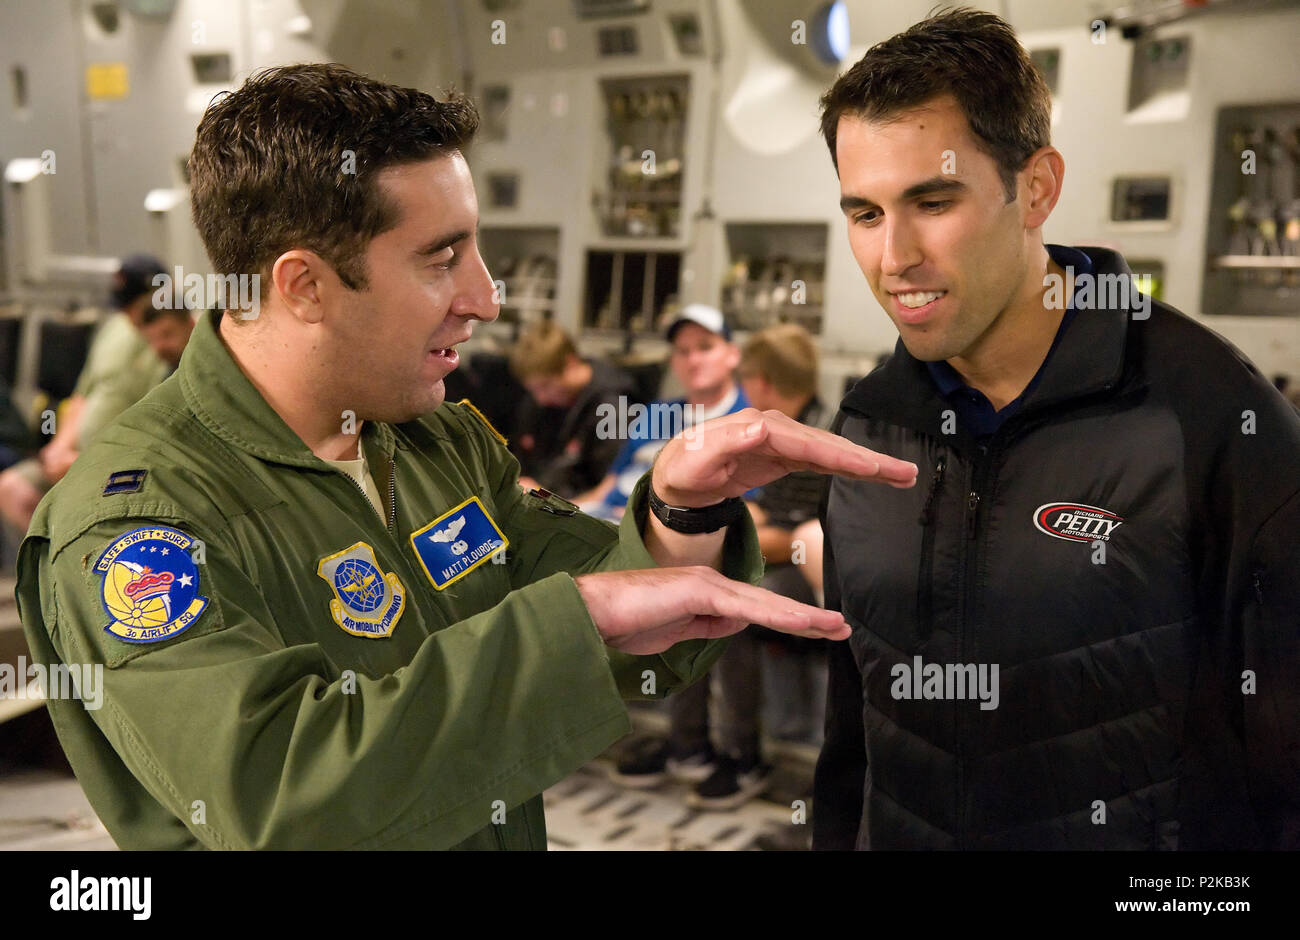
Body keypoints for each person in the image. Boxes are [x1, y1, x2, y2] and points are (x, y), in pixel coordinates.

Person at [14, 63, 917, 851]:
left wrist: (679, 512)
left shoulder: (431, 437)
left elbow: (627, 646)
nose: (485, 299)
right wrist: (576, 617)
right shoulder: (140, 520)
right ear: (304, 285)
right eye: (443, 258)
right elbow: (280, 800)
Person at [812, 8, 1300, 851]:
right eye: (864, 214)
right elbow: (851, 728)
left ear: (1036, 188)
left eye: (933, 201)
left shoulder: (1211, 419)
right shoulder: (867, 423)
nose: (895, 257)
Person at [676, 323, 832, 810]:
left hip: (822, 573)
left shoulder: (816, 434)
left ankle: (743, 756)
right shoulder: (783, 426)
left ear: (762, 381)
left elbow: (796, 537)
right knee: (695, 589)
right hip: (786, 556)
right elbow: (759, 511)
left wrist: (727, 540)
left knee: (729, 608)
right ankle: (688, 744)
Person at [0, 254, 171, 531]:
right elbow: (81, 395)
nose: (127, 314)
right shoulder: (114, 329)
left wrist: (89, 461)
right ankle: (48, 570)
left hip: (120, 461)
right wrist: (60, 447)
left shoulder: (168, 340)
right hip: (75, 454)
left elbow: (154, 418)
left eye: (133, 305)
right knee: (12, 488)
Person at [578, 304, 750, 522]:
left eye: (705, 347)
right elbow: (607, 487)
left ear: (733, 354)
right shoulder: (657, 413)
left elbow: (748, 512)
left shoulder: (747, 423)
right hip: (604, 519)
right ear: (673, 361)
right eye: (683, 351)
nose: (693, 360)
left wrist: (644, 522)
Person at [507, 321, 638, 498]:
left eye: (545, 386)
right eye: (533, 390)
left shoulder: (614, 409)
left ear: (570, 364)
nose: (541, 398)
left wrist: (544, 497)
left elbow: (609, 493)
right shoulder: (538, 402)